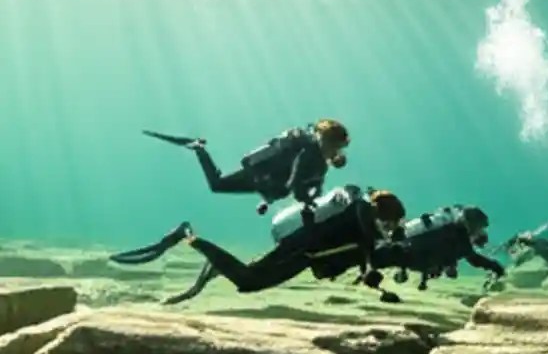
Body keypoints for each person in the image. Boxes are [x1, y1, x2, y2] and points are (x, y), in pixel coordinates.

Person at [111, 187, 407, 304]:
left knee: (249, 281)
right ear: (384, 213)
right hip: (299, 248)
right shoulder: (363, 215)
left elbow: (360, 256)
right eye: (391, 223)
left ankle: (210, 258)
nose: (390, 230)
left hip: (301, 253)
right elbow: (365, 250)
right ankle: (188, 235)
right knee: (248, 281)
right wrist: (372, 270)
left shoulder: (362, 219)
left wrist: (379, 287)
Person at [142, 119, 350, 216]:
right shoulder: (309, 153)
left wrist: (313, 196)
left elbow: (315, 181)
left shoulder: (319, 158)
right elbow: (296, 181)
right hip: (260, 176)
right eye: (335, 146)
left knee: (217, 184)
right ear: (325, 140)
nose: (335, 151)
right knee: (217, 185)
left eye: (338, 148)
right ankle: (198, 148)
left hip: (264, 178)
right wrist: (307, 200)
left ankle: (199, 148)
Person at [386, 204, 505, 291]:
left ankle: (402, 272)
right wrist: (495, 267)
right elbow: (473, 258)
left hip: (411, 254)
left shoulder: (448, 229)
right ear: (471, 224)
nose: (479, 231)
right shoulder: (457, 237)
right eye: (478, 227)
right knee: (442, 268)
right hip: (418, 259)